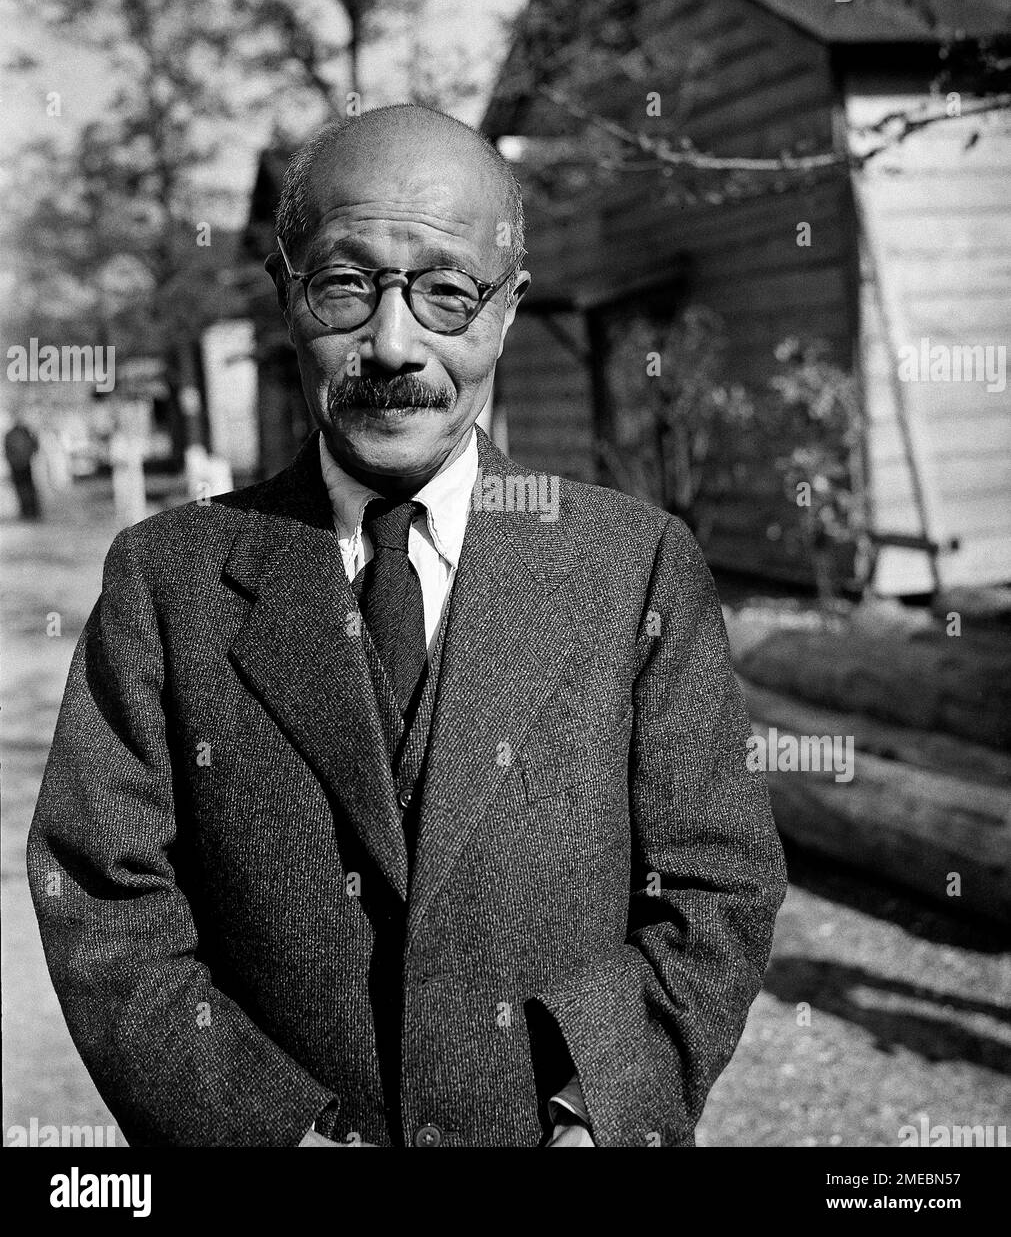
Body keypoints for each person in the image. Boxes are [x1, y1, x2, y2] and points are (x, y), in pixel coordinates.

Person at [28, 104, 787, 1148]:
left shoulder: (635, 565)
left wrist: (600, 1112)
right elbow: (102, 896)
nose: (393, 343)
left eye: (445, 292)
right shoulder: (168, 579)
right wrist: (264, 1132)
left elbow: (720, 882)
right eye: (346, 284)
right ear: (286, 295)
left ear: (506, 310)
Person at [4, 418, 41, 520]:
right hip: (23, 464)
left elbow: (6, 450)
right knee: (27, 488)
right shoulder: (24, 433)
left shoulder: (12, 434)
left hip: (18, 464)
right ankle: (31, 511)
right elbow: (35, 445)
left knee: (23, 488)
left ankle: (28, 511)